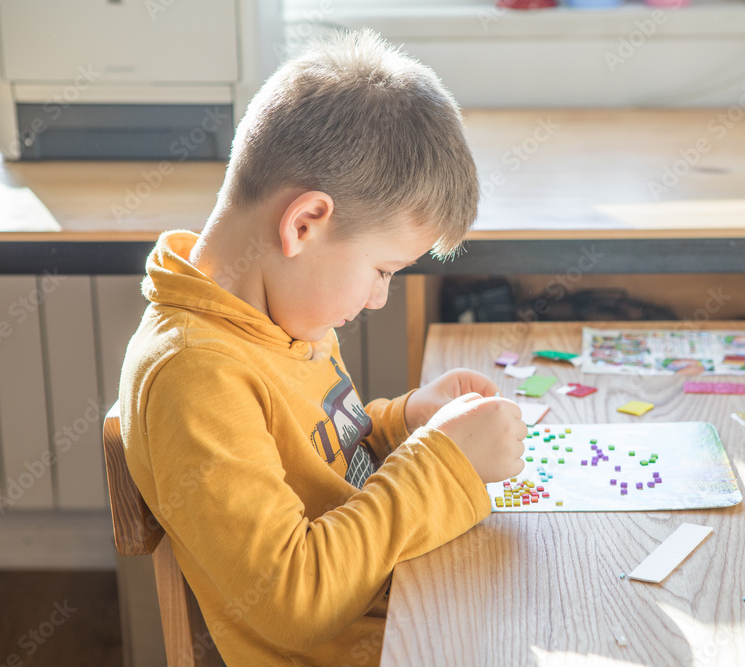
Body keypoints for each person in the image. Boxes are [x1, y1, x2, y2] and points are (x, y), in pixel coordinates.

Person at [118, 29, 527, 666]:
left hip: (413, 612)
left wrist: (407, 421)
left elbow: (334, 462)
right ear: (304, 223)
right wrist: (442, 463)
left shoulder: (279, 313)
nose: (378, 299)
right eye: (384, 270)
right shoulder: (195, 376)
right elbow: (292, 599)